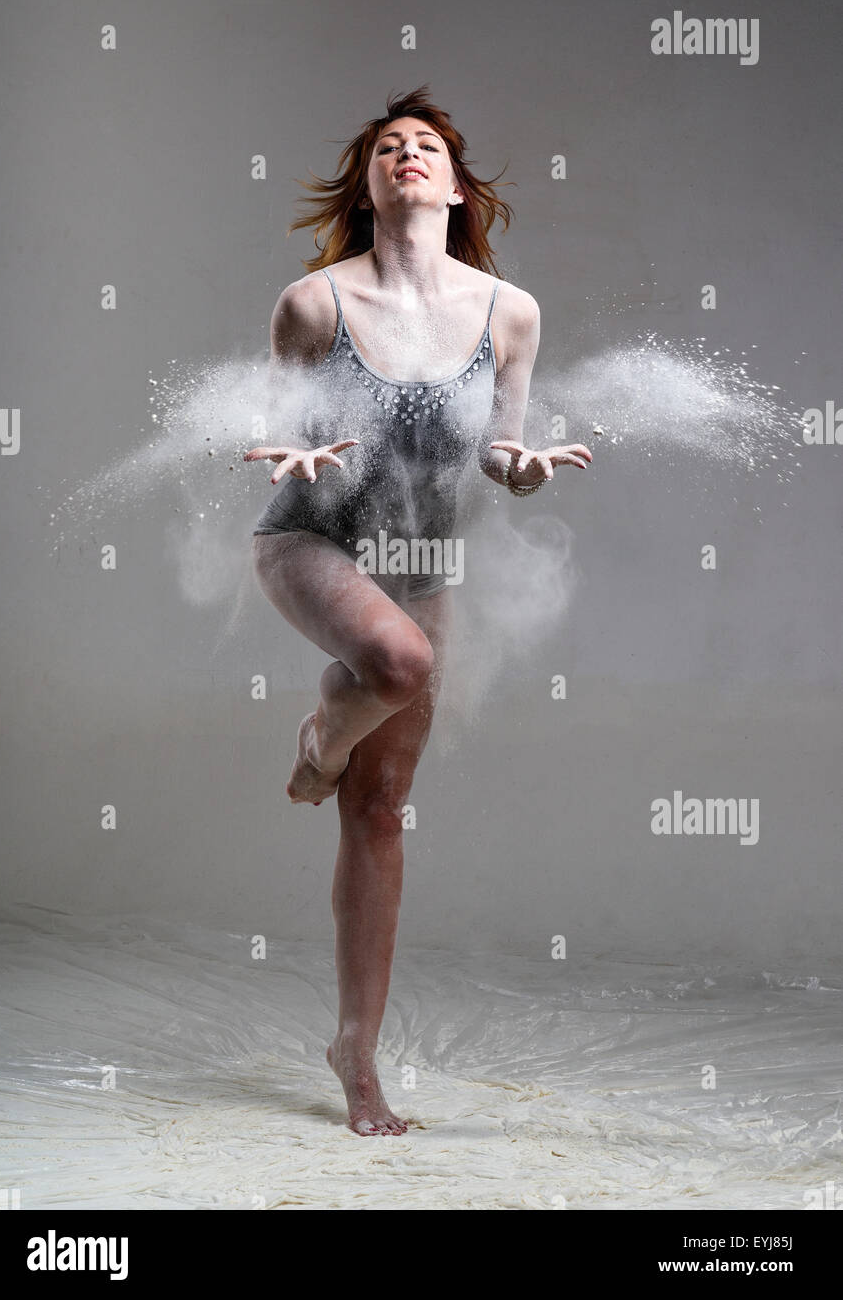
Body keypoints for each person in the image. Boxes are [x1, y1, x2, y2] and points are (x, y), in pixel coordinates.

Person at [244, 87, 591, 1136]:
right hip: (308, 540)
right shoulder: (313, 304)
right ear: (368, 182)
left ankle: (357, 1053)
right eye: (388, 146)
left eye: (424, 146)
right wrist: (292, 442)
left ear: (450, 181)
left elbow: (496, 448)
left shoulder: (506, 310)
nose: (406, 155)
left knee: (382, 809)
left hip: (423, 557)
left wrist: (519, 469)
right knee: (397, 664)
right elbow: (271, 428)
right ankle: (316, 742)